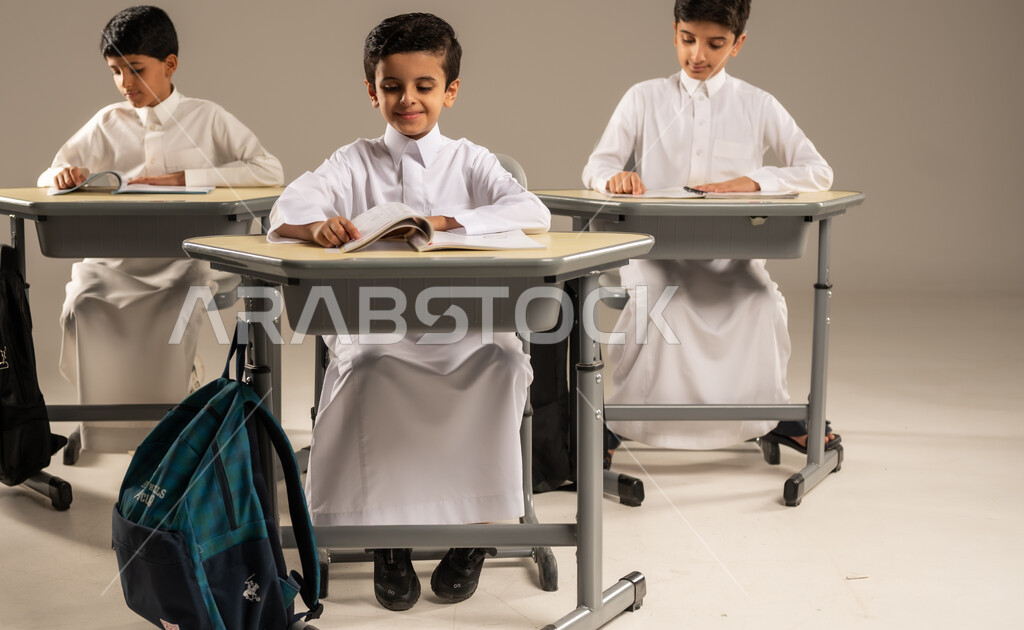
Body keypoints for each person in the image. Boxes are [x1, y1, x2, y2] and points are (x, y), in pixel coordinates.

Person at [268, 13, 549, 611]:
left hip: (467, 328)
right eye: (392, 86)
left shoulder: (470, 160)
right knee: (367, 366)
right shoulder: (352, 161)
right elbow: (286, 209)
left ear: (450, 90)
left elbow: (532, 213)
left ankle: (476, 535)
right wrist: (318, 225)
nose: (408, 99)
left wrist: (445, 222)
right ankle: (384, 540)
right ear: (372, 90)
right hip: (377, 328)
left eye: (424, 86)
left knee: (503, 358)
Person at [582, 0, 840, 453]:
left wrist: (755, 181)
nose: (697, 55)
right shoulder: (643, 97)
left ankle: (766, 415)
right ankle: (625, 421)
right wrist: (614, 177)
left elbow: (818, 171)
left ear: (737, 44)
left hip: (731, 254)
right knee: (668, 307)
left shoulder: (757, 104)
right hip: (654, 254)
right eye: (687, 40)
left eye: (714, 44)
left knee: (760, 302)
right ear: (674, 32)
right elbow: (597, 166)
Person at [37, 6, 282, 452]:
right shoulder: (108, 121)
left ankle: (170, 431)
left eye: (136, 70)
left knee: (174, 310)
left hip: (183, 261)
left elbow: (269, 169)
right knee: (87, 304)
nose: (125, 84)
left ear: (169, 64)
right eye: (115, 72)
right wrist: (63, 177)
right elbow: (48, 173)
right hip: (112, 261)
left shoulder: (206, 117)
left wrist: (185, 180)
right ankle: (102, 428)